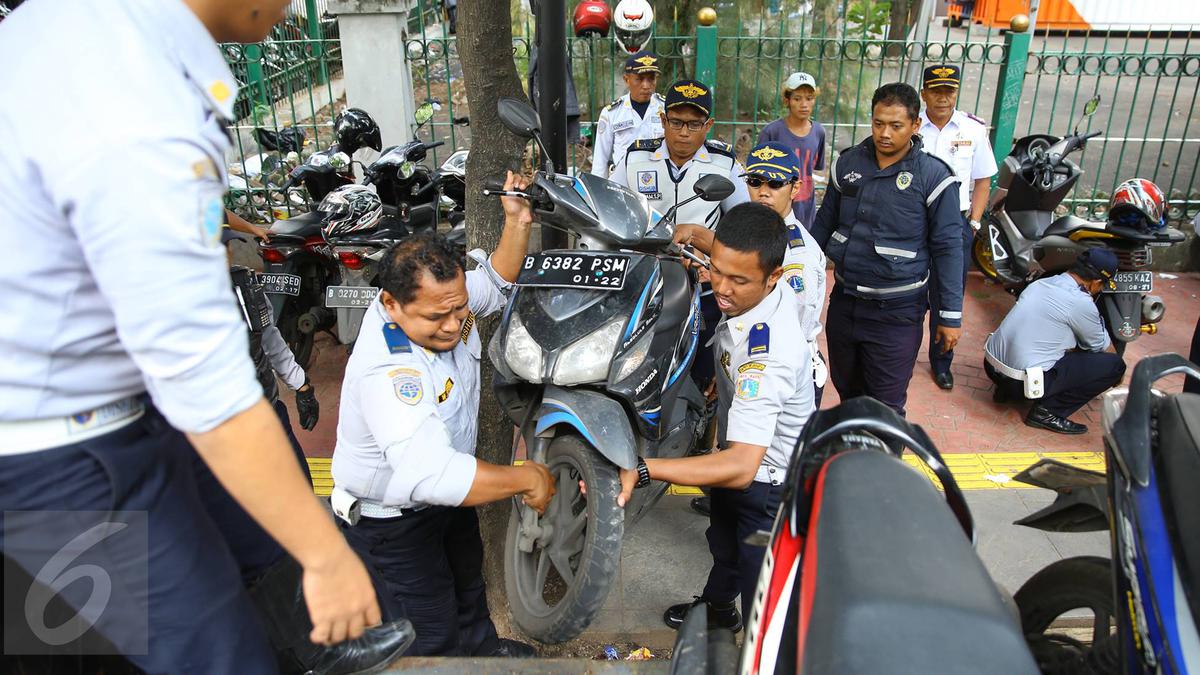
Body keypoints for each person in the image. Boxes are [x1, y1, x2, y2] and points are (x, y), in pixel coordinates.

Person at [0, 1, 399, 672]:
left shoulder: (84, 29)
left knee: (271, 554)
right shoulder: (129, 94)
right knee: (219, 651)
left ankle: (314, 639)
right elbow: (203, 382)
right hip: (58, 450)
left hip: (123, 408)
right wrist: (324, 558)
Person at [331, 171, 556, 657]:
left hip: (445, 503)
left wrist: (516, 221)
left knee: (467, 591)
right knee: (430, 636)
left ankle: (484, 655)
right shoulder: (389, 371)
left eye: (458, 310)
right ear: (391, 304)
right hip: (392, 522)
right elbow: (432, 475)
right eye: (438, 317)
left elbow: (495, 281)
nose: (454, 324)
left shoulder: (441, 297)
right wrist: (526, 479)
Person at [629, 203, 814, 632]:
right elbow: (716, 249)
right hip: (741, 454)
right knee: (725, 546)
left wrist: (643, 470)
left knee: (761, 591)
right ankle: (717, 610)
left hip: (768, 483)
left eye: (738, 280)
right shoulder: (755, 282)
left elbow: (741, 467)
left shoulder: (768, 359)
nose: (722, 288)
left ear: (775, 278)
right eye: (717, 270)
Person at [810, 82, 964, 417]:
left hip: (897, 311)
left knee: (886, 406)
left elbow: (949, 249)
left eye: (896, 126)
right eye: (878, 123)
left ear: (915, 125)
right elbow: (822, 225)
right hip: (846, 303)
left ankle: (884, 464)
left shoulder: (933, 177)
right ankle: (853, 461)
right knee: (848, 392)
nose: (885, 133)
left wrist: (949, 316)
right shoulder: (848, 164)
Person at [610, 78, 750, 388]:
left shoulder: (723, 164)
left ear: (708, 124)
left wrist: (708, 245)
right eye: (676, 122)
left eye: (694, 123)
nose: (684, 132)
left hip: (702, 291)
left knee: (702, 379)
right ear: (663, 120)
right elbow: (609, 212)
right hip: (641, 287)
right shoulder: (635, 159)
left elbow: (745, 235)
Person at [984, 249, 1126, 434]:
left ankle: (1005, 392)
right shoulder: (1080, 302)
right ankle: (1047, 412)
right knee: (1114, 366)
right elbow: (1099, 346)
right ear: (1096, 282)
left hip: (992, 368)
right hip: (1020, 383)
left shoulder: (1041, 282)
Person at [918, 64, 998, 390]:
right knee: (909, 293)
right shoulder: (909, 127)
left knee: (947, 297)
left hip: (955, 224)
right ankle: (901, 353)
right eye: (936, 91)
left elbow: (983, 180)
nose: (943, 98)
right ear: (924, 94)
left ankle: (941, 363)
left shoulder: (972, 130)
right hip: (913, 223)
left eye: (949, 91)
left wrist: (974, 222)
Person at [756, 72, 827, 229]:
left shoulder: (819, 132)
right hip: (776, 205)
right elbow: (758, 174)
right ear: (787, 101)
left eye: (809, 98)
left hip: (805, 206)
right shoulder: (772, 132)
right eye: (797, 98)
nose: (804, 104)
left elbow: (815, 167)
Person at [590, 50, 665, 179]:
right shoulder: (612, 114)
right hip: (622, 181)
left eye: (651, 78)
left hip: (659, 180)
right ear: (626, 79)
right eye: (639, 79)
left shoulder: (665, 109)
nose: (646, 86)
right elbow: (600, 160)